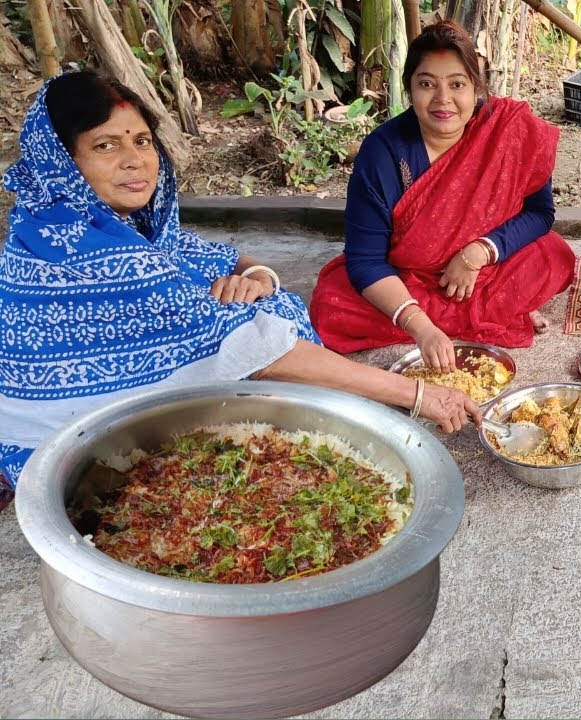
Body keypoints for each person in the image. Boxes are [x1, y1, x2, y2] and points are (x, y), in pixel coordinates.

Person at [0, 71, 481, 493]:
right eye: (106, 145)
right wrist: (419, 395)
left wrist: (256, 276)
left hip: (444, 277)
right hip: (72, 448)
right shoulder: (81, 249)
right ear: (60, 160)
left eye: (142, 141)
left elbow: (224, 258)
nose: (134, 160)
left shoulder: (80, 222)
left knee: (268, 308)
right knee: (273, 331)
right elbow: (258, 348)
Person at [309, 20, 575, 372]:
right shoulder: (382, 152)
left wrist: (479, 251)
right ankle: (493, 311)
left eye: (457, 84)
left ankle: (488, 306)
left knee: (554, 256)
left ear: (476, 88)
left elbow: (540, 214)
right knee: (333, 304)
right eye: (426, 84)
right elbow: (365, 260)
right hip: (407, 278)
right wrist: (421, 327)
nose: (443, 99)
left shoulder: (509, 130)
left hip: (487, 269)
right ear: (409, 89)